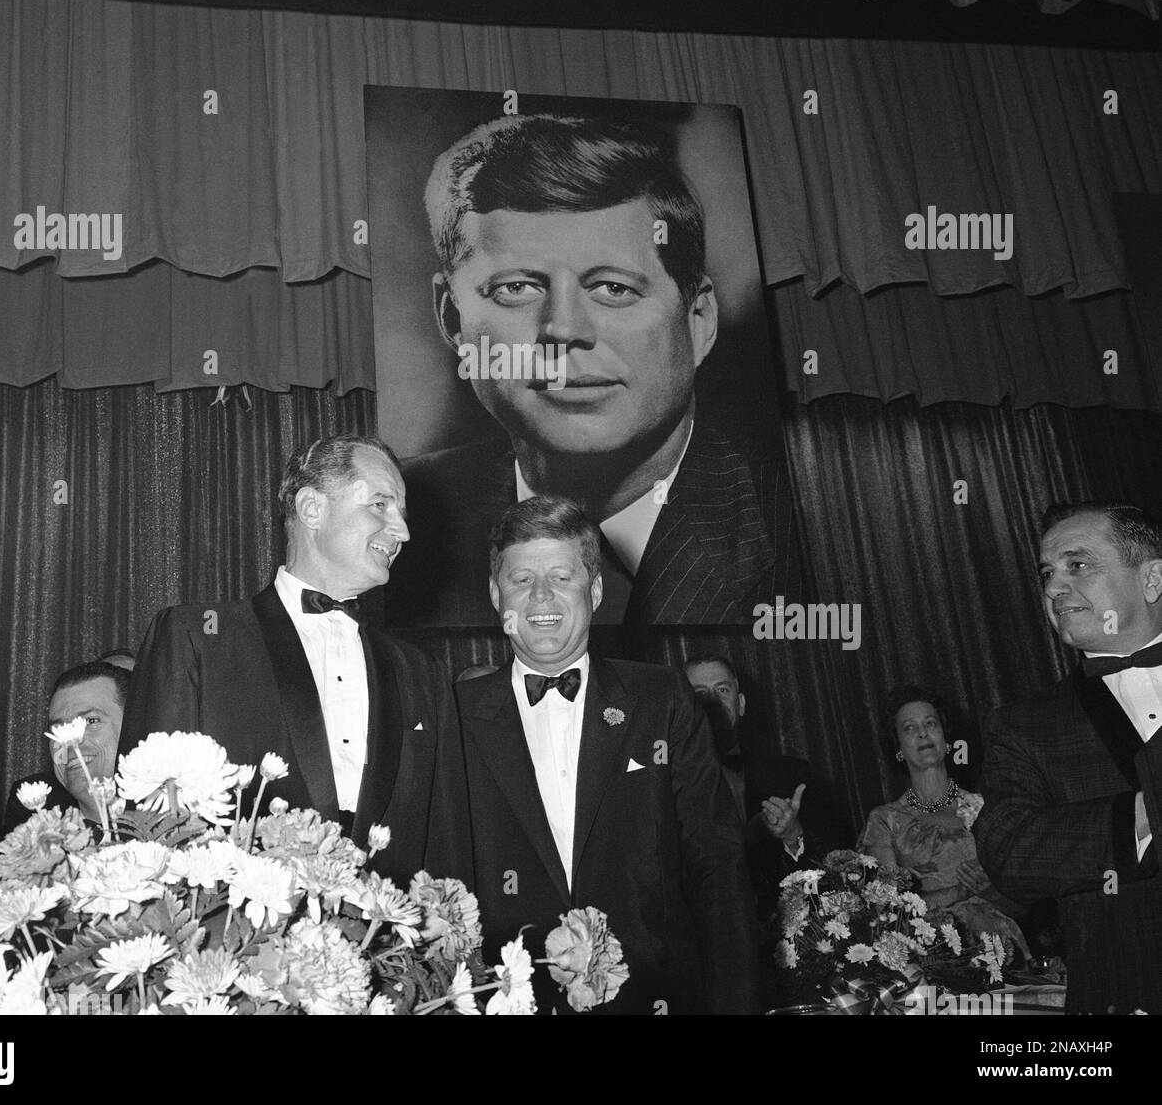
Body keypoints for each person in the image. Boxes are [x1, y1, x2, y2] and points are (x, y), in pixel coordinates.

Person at [388, 113, 795, 628]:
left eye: (614, 288)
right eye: (517, 287)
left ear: (698, 321)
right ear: (452, 318)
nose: (564, 330)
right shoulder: (398, 520)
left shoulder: (796, 522)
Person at [119, 435, 470, 887]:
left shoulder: (421, 672)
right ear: (311, 509)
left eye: (402, 514)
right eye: (381, 505)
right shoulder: (196, 638)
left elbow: (446, 847)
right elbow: (150, 828)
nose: (403, 532)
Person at [455, 495, 759, 1014]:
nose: (541, 596)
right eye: (521, 580)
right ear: (494, 594)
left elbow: (717, 866)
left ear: (595, 590)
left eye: (562, 577)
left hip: (654, 997)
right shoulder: (453, 716)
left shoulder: (662, 698)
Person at [976, 501, 1162, 1014]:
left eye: (1078, 565)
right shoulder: (1024, 724)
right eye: (1047, 574)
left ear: (1151, 579)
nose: (1054, 588)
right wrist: (1145, 816)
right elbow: (1009, 851)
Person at [860, 686, 1028, 960]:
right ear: (898, 749)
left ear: (946, 738)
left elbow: (1026, 903)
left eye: (930, 723)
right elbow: (886, 913)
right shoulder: (885, 820)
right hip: (932, 958)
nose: (923, 733)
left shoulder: (984, 808)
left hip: (1005, 954)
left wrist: (989, 891)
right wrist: (958, 891)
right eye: (909, 728)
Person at [683, 652, 842, 917]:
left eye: (722, 689)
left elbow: (834, 871)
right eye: (699, 693)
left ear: (741, 703)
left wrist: (793, 835)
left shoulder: (792, 776)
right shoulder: (659, 786)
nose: (711, 700)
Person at [1, 659, 128, 834]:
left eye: (91, 721)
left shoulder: (173, 820)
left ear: (133, 726)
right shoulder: (35, 825)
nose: (70, 741)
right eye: (58, 729)